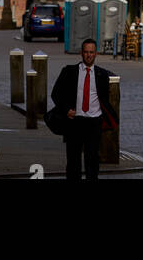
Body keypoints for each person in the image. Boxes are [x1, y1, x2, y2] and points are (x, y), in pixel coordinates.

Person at [50, 38, 118, 182]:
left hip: (94, 122)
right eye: (86, 52)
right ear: (81, 53)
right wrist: (66, 109)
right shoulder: (69, 71)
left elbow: (104, 99)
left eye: (91, 52)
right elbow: (56, 94)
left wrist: (106, 117)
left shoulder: (102, 74)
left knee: (92, 159)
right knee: (73, 160)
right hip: (75, 122)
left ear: (96, 54)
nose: (88, 55)